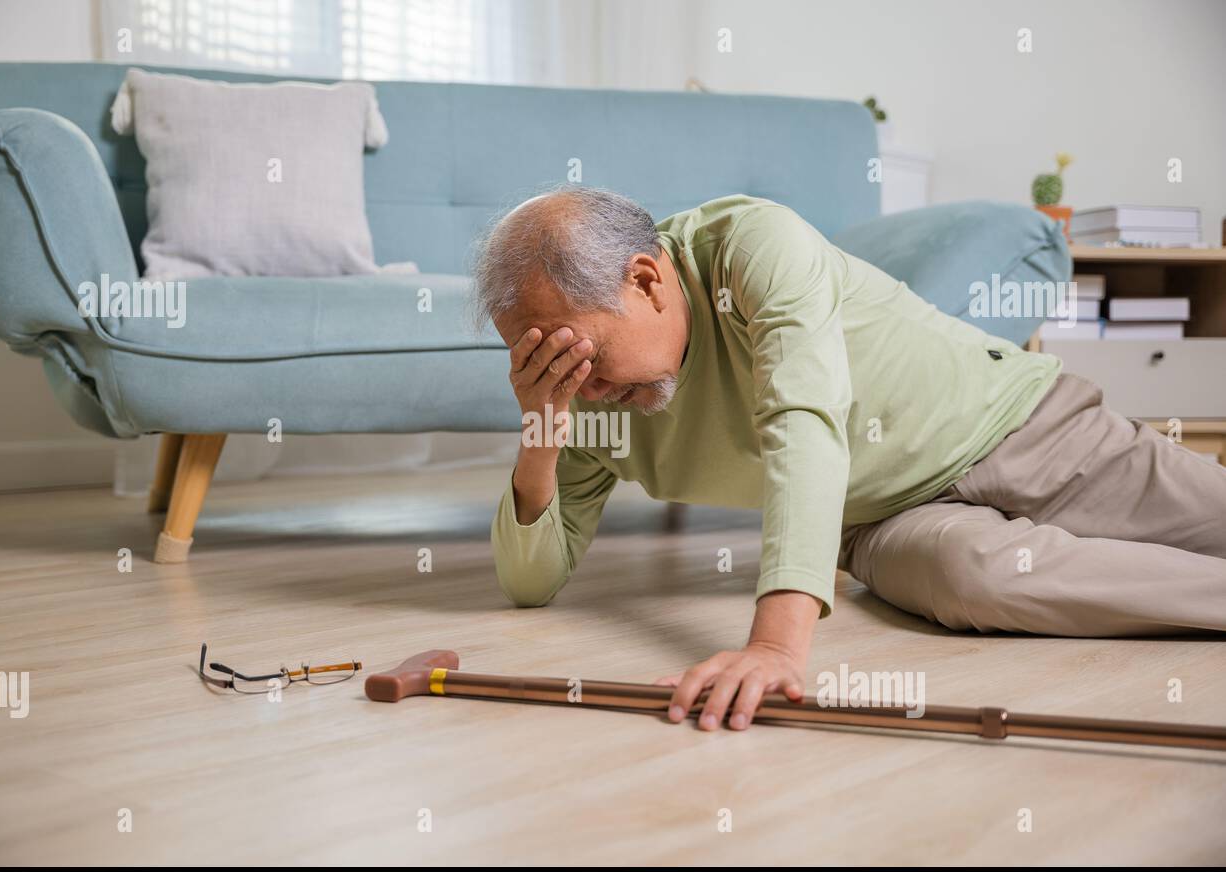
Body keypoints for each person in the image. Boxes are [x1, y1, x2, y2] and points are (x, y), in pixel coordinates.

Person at [474, 187, 1226, 733]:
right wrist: (543, 426)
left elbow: (804, 422)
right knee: (979, 577)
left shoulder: (749, 245)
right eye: (538, 359)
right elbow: (531, 583)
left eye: (580, 353)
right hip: (880, 521)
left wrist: (774, 645)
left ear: (646, 280)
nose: (579, 381)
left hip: (1023, 426)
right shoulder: (582, 400)